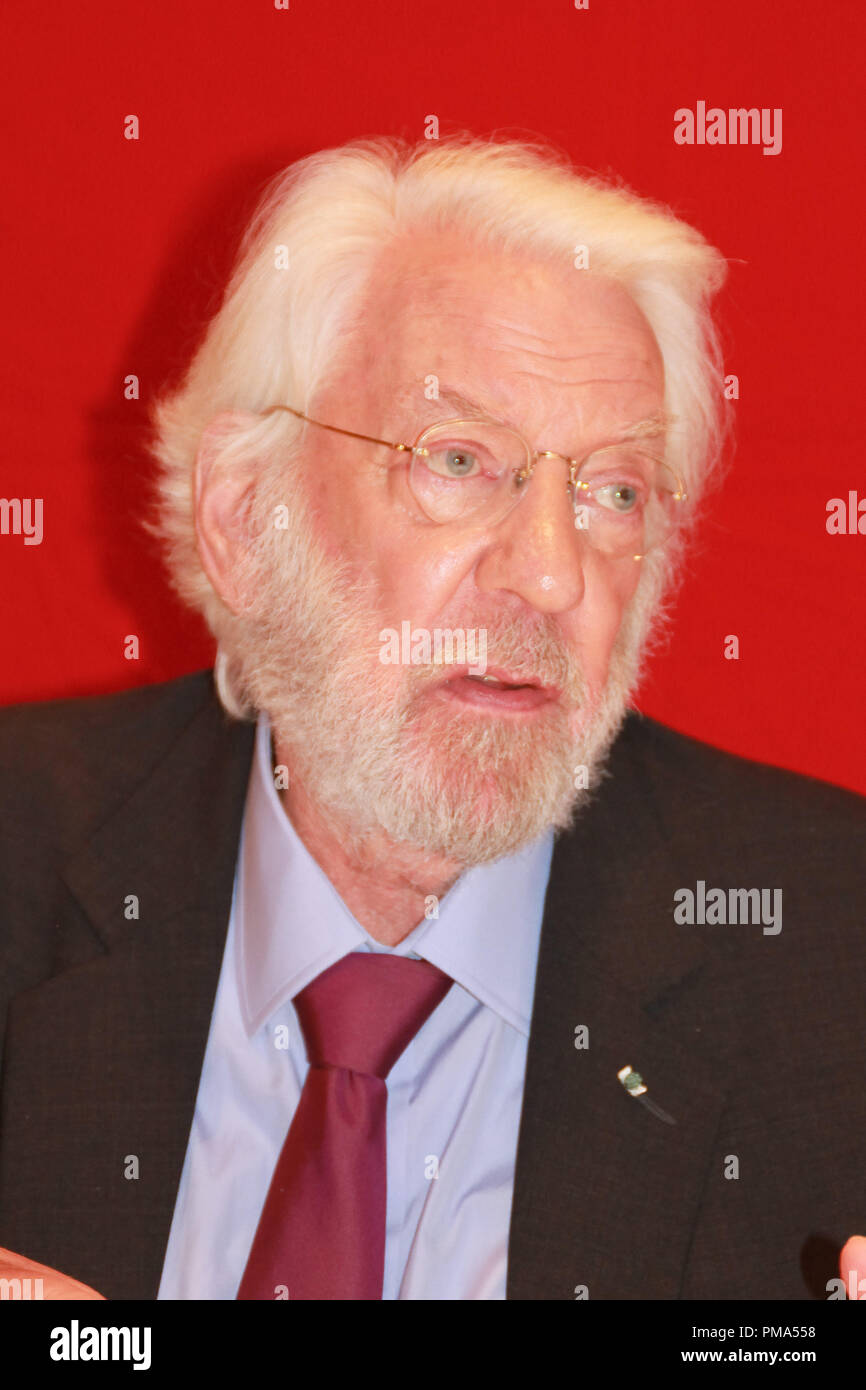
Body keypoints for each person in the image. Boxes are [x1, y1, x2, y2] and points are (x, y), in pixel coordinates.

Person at [0, 135, 863, 1302]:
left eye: (611, 490)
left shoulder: (829, 946)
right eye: (456, 461)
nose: (551, 576)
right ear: (245, 519)